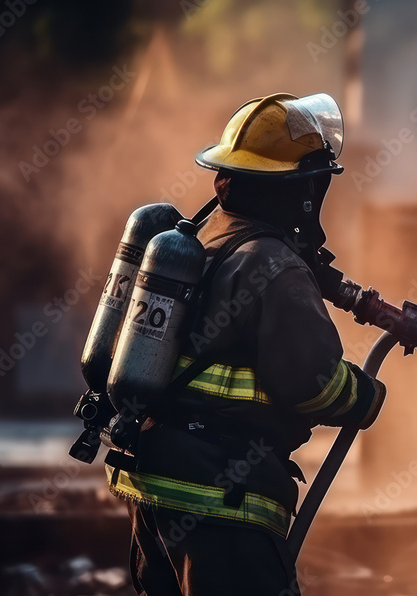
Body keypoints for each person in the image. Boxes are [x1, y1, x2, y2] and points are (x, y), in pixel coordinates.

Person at [106, 93, 385, 595]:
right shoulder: (274, 266)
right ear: (302, 190)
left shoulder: (203, 246)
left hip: (151, 482)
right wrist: (366, 396)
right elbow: (312, 383)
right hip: (220, 496)